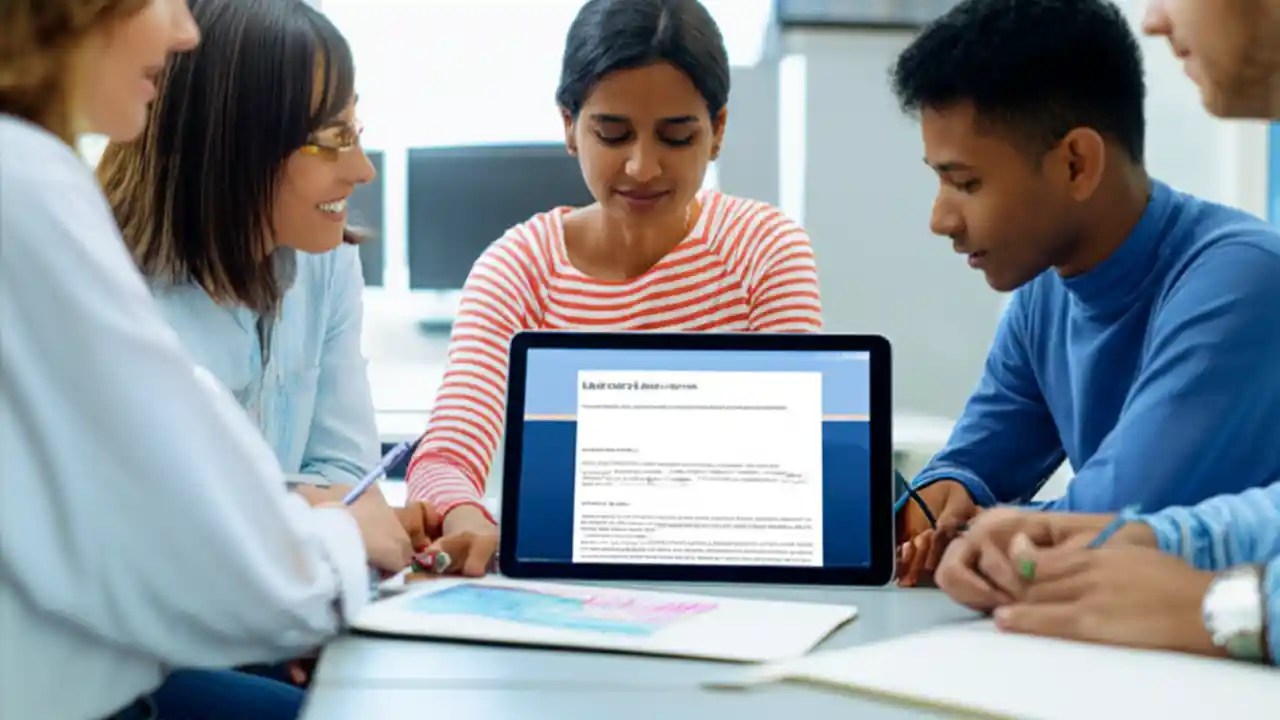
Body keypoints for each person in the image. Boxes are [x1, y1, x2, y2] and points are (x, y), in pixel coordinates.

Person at [0, 2, 424, 718]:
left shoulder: (323, 262)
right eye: (331, 137)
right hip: (134, 654)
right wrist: (319, 545)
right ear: (235, 145)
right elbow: (178, 547)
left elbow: (341, 481)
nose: (182, 30)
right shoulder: (41, 197)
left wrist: (300, 542)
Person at [405, 0, 824, 575]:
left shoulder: (762, 249)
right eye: (612, 134)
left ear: (718, 130)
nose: (642, 168)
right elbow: (445, 457)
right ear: (569, 127)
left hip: (726, 571)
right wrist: (462, 512)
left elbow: (792, 460)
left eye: (676, 137)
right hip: (565, 580)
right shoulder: (519, 267)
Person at [933, 0, 1280, 667]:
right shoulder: (1045, 289)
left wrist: (1219, 604)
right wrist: (951, 501)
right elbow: (984, 471)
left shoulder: (1243, 278)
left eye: (966, 183)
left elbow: (1097, 523)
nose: (1152, 19)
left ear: (1074, 165)